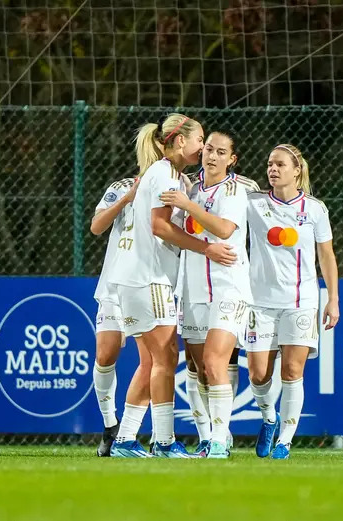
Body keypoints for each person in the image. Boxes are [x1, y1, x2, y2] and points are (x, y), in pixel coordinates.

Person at [109, 114, 236, 457]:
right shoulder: (165, 173)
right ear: (181, 141)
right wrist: (206, 248)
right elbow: (160, 227)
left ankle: (125, 439)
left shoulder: (168, 174)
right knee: (165, 358)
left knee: (151, 362)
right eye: (200, 141)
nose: (203, 148)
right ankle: (164, 441)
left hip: (135, 278)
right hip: (148, 278)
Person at [160, 131, 253, 459]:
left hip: (230, 287)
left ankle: (218, 442)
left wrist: (187, 206)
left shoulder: (235, 189)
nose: (212, 156)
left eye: (221, 152)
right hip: (193, 288)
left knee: (215, 361)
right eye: (209, 149)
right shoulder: (189, 187)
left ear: (232, 159)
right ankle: (210, 436)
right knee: (199, 367)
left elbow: (224, 229)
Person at [245, 144, 339, 459]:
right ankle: (269, 418)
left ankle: (284, 441)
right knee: (258, 374)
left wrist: (333, 298)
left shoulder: (314, 208)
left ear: (297, 170)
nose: (273, 169)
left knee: (292, 370)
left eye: (280, 164)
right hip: (260, 302)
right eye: (270, 164)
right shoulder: (253, 203)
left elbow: (326, 255)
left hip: (300, 301)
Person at [89, 176, 139, 456]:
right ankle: (111, 426)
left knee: (155, 361)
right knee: (105, 355)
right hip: (115, 286)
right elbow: (96, 226)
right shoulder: (122, 186)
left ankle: (151, 434)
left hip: (154, 284)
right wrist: (126, 199)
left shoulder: (180, 186)